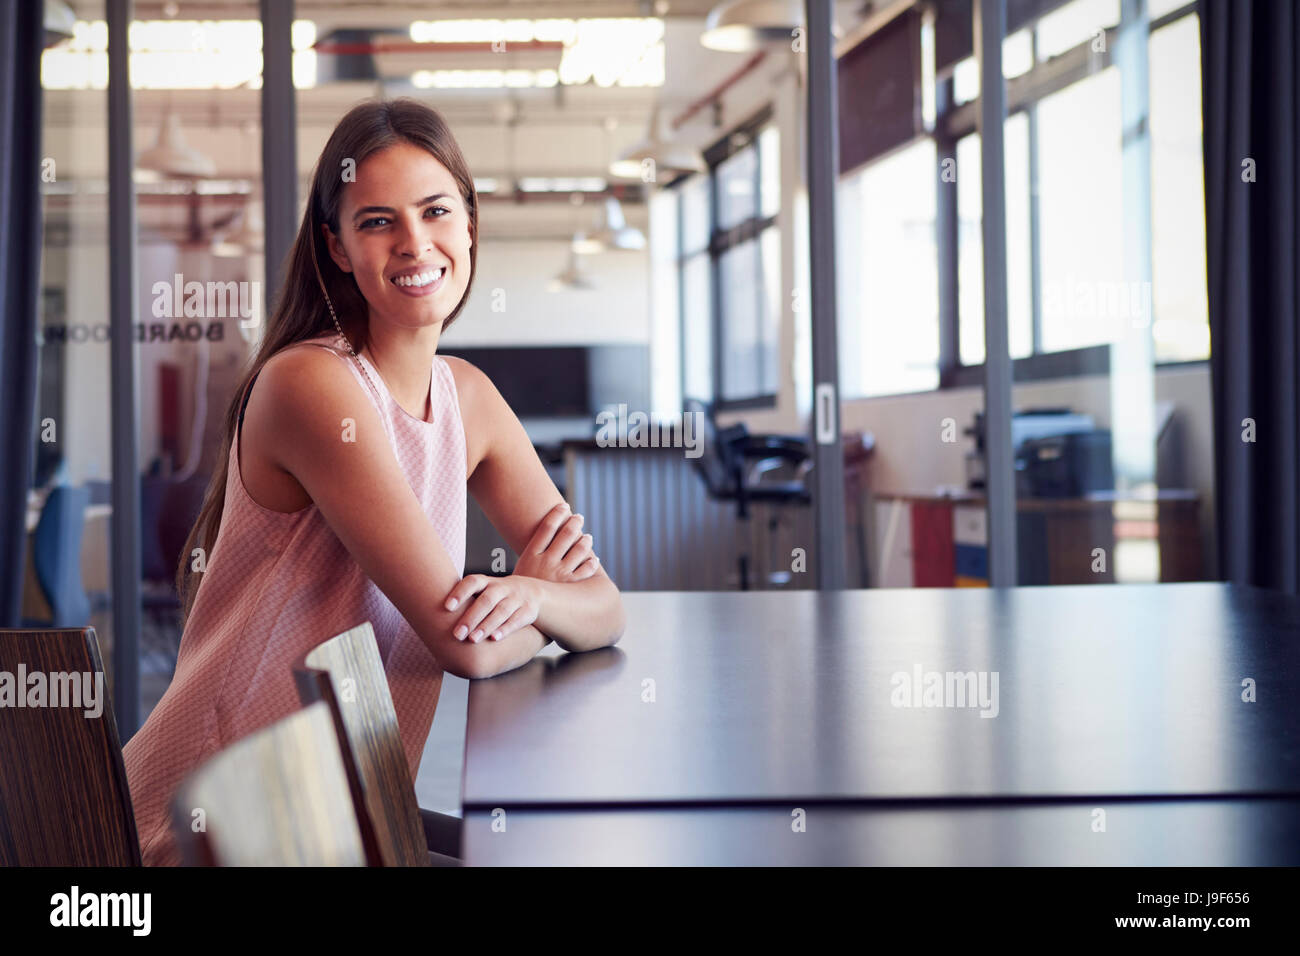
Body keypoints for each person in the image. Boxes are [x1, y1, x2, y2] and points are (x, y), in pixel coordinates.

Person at [122, 98, 626, 866]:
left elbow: (605, 608)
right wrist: (537, 608)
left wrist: (533, 595)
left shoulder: (470, 398)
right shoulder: (312, 386)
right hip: (224, 830)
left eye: (435, 211)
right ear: (338, 249)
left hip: (346, 823)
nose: (414, 243)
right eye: (377, 221)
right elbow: (466, 647)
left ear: (469, 224)